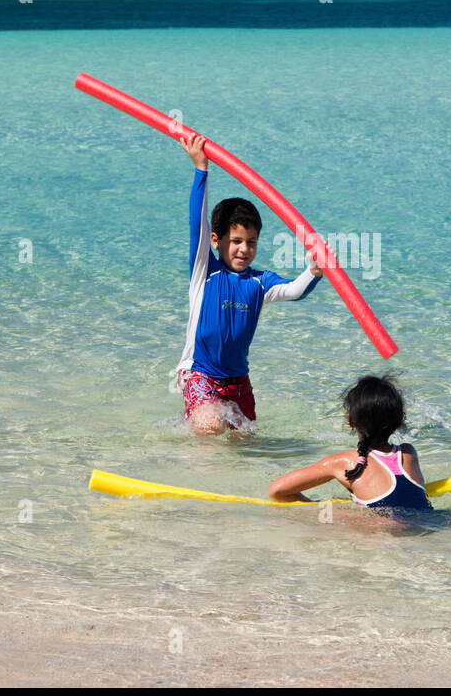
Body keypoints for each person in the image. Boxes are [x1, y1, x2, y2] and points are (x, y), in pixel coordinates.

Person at [177, 133, 322, 433]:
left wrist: (314, 270)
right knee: (209, 427)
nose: (244, 249)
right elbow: (197, 221)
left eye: (251, 242)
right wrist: (201, 169)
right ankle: (195, 468)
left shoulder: (260, 283)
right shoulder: (204, 271)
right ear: (216, 240)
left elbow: (295, 290)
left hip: (239, 381)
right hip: (199, 373)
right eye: (236, 241)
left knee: (245, 443)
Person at [268, 374, 433, 510]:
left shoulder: (344, 462)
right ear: (399, 421)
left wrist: (319, 508)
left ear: (350, 421)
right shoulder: (409, 453)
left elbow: (277, 491)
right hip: (432, 523)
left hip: (382, 536)